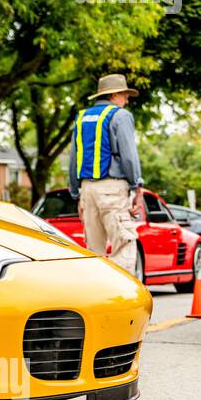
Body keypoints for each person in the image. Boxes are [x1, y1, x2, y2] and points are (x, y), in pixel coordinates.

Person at [68, 74, 144, 276]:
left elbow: (74, 159)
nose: (126, 101)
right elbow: (129, 156)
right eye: (125, 95)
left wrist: (76, 193)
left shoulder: (82, 117)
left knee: (94, 251)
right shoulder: (120, 116)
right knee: (124, 245)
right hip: (112, 189)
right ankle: (121, 301)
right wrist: (137, 187)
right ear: (115, 95)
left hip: (87, 190)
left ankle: (97, 299)